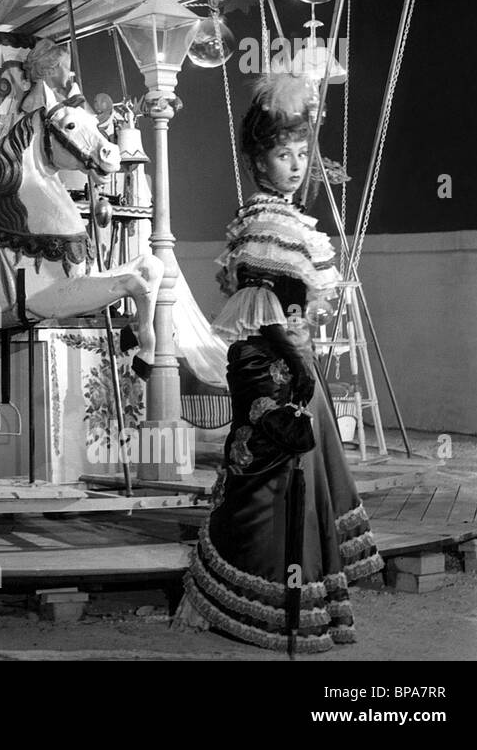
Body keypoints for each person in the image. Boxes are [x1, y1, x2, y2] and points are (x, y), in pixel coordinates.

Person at [175, 76, 382, 653]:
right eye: (282, 154)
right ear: (259, 161)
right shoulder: (268, 224)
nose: (294, 165)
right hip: (276, 372)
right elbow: (261, 318)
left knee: (295, 484)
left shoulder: (273, 218)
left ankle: (296, 606)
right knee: (269, 485)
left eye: (300, 155)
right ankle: (259, 604)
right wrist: (299, 363)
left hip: (294, 369)